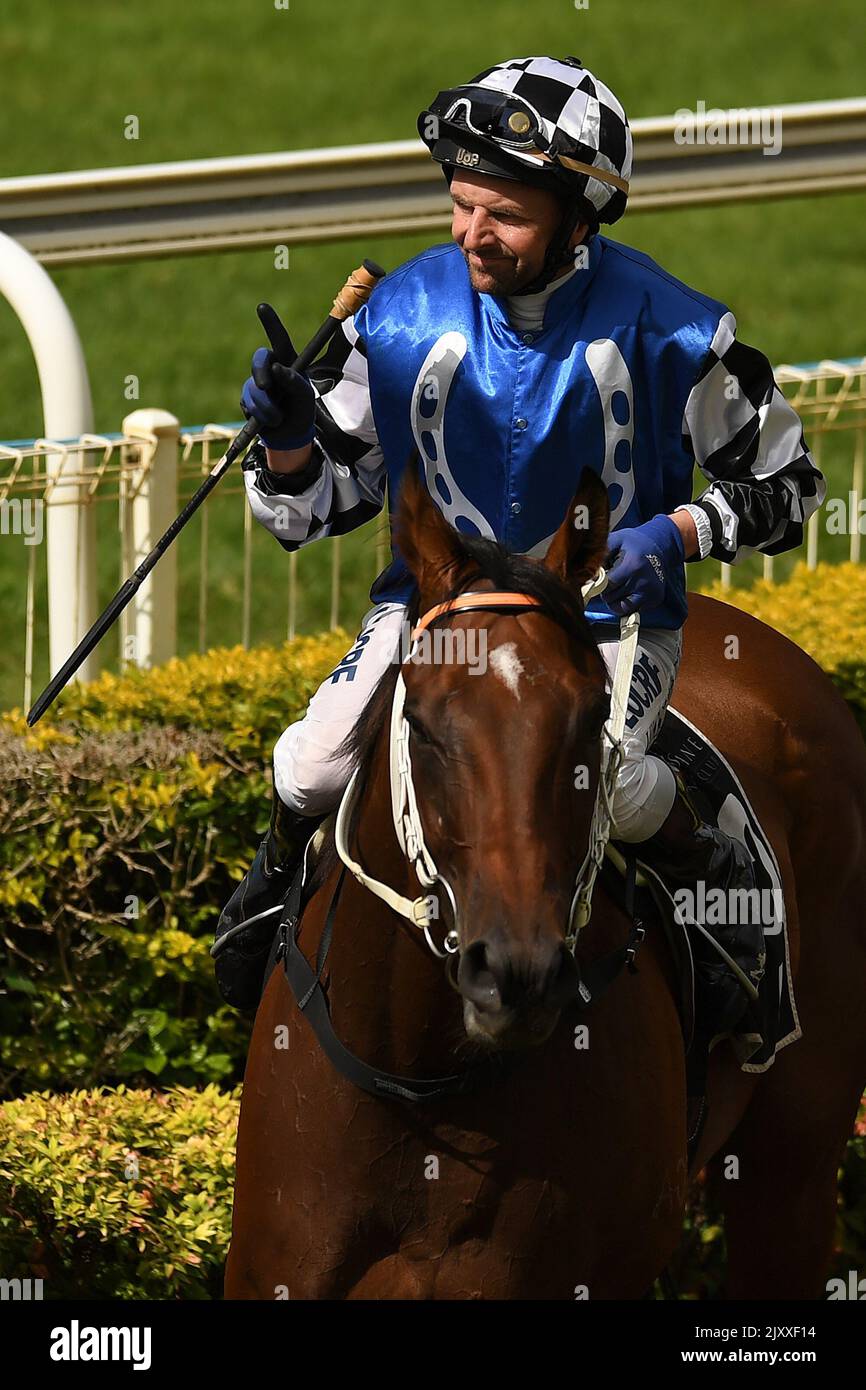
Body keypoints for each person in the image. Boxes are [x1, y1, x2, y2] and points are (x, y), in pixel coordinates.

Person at [218, 55, 825, 1031]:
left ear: (578, 220)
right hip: (437, 617)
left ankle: (718, 891)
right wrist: (289, 445)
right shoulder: (398, 314)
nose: (471, 234)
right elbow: (305, 514)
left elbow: (789, 489)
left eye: (502, 214)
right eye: (460, 205)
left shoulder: (672, 331)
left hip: (602, 619)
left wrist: (674, 532)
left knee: (611, 788)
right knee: (311, 764)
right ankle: (261, 911)